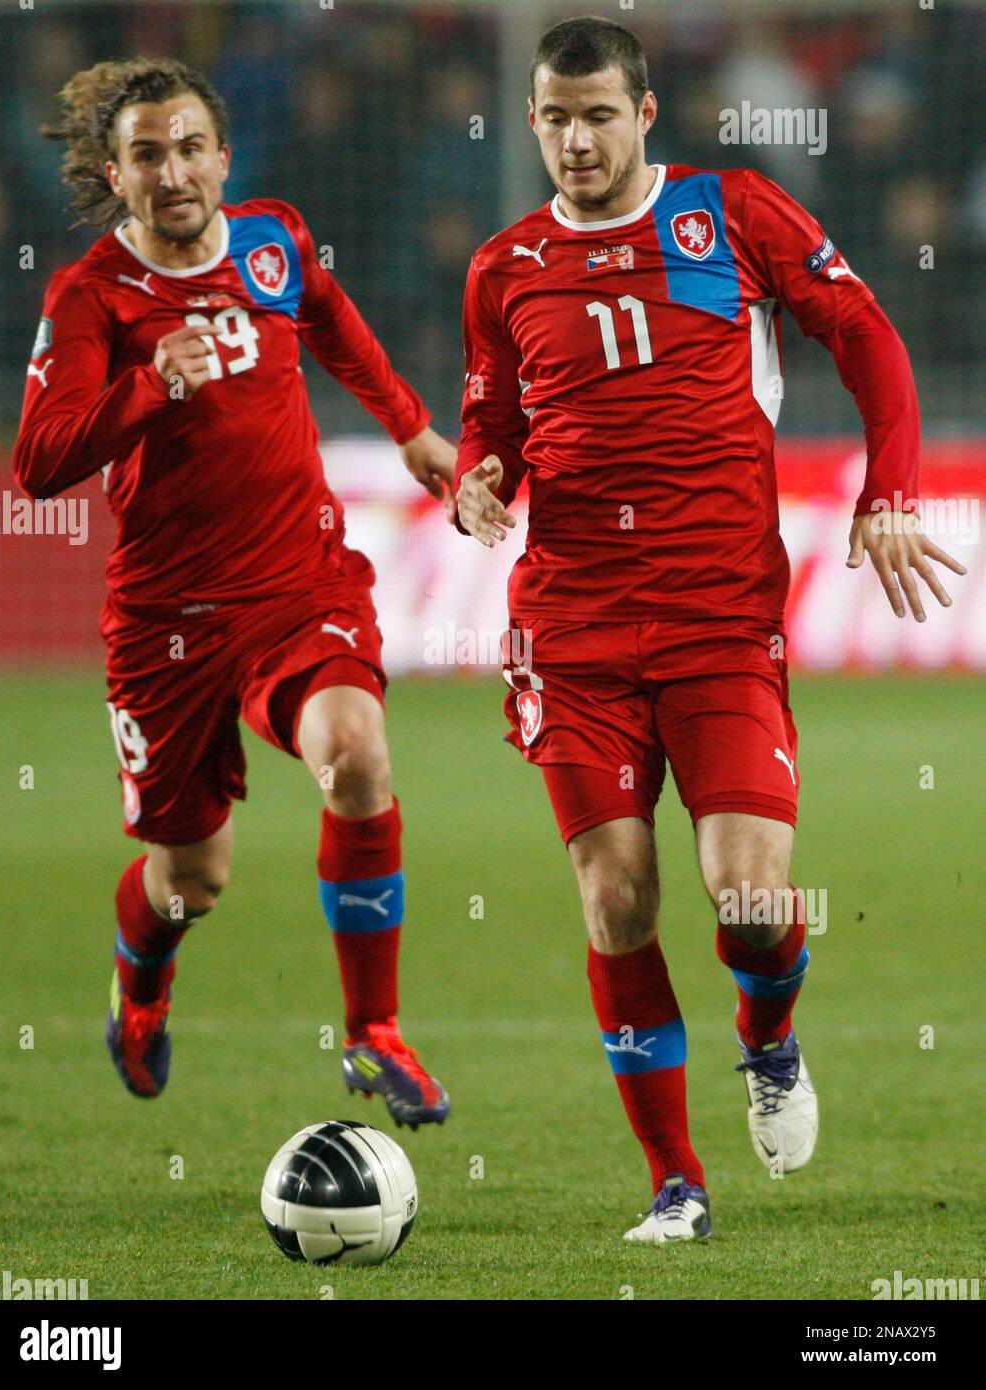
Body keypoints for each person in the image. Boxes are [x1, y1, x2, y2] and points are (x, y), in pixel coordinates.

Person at [453, 17, 965, 1242]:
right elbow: (493, 417)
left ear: (642, 117)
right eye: (554, 119)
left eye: (597, 116)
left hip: (719, 619)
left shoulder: (728, 214)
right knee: (616, 897)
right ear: (530, 123)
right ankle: (674, 1181)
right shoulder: (502, 267)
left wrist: (887, 489)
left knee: (746, 898)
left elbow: (867, 336)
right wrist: (478, 476)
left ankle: (769, 1036)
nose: (576, 140)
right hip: (570, 629)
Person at [13, 58, 455, 1129]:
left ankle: (372, 1031)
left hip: (298, 587)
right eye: (148, 155)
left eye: (191, 147)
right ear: (115, 176)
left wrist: (408, 427)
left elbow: (331, 315)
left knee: (354, 751)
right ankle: (140, 980)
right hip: (166, 625)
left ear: (223, 154)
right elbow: (37, 462)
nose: (175, 171)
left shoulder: (272, 239)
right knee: (189, 879)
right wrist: (147, 383)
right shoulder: (90, 298)